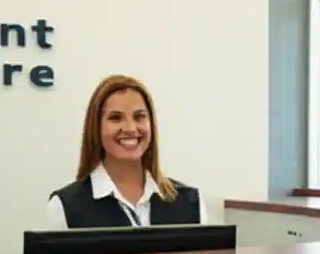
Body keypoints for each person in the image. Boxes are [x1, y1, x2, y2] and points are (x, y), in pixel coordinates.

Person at [46, 74, 207, 229]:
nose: (130, 128)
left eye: (139, 117)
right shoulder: (65, 207)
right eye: (115, 118)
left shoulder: (191, 203)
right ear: (95, 127)